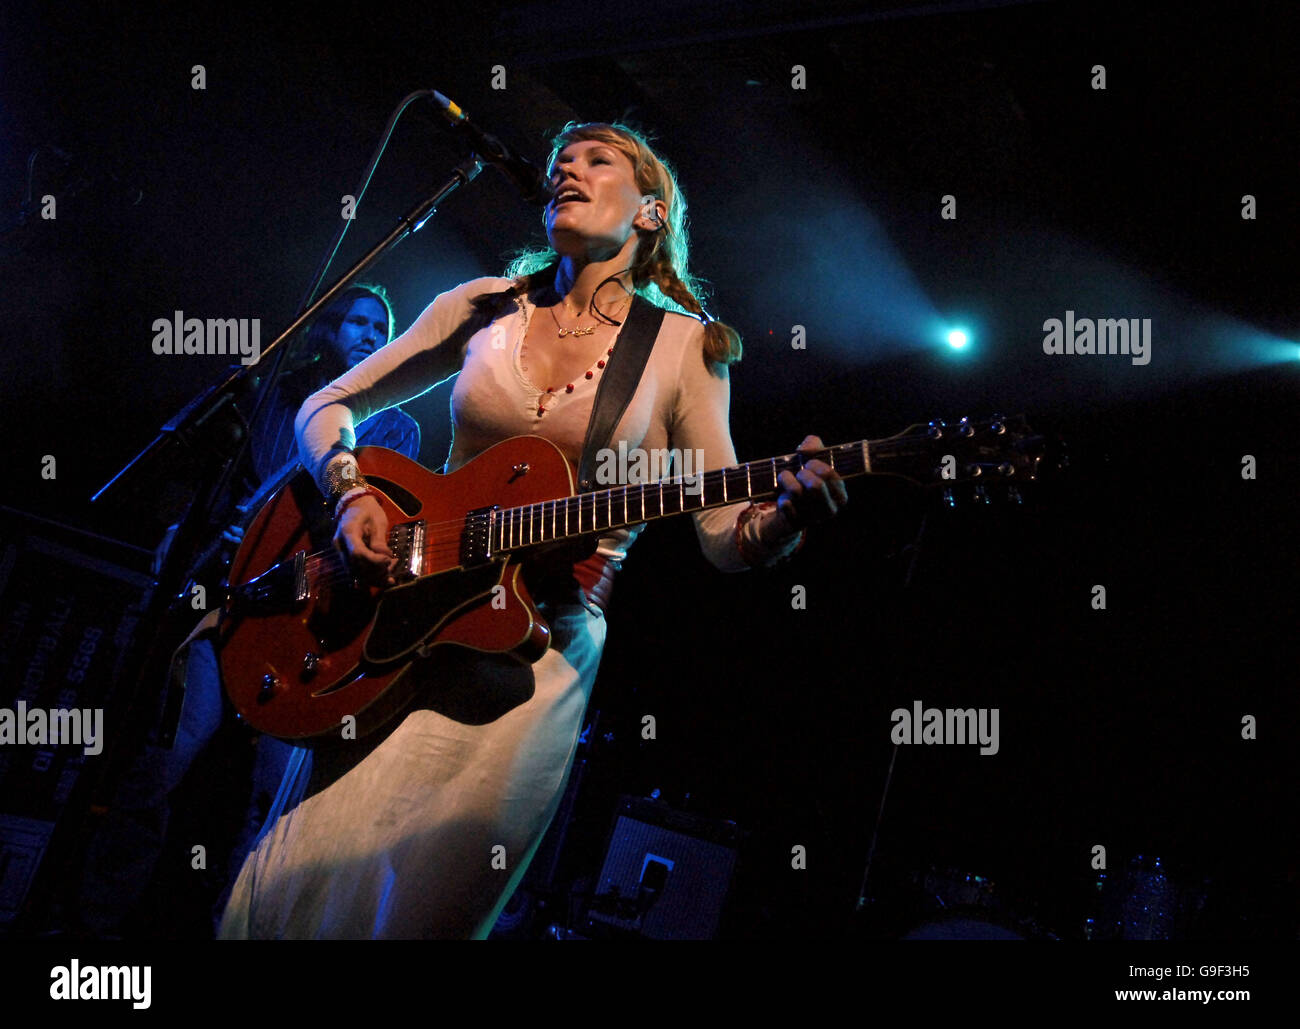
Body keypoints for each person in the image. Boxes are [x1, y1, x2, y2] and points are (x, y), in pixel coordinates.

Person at [217, 122, 847, 940]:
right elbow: (324, 404)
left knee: (419, 920)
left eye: (596, 161)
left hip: (535, 657)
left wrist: (789, 517)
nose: (566, 174)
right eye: (559, 166)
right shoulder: (484, 307)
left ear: (651, 213)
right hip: (400, 634)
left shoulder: (687, 349)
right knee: (301, 893)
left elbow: (725, 533)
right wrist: (346, 496)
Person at [77, 285, 419, 936]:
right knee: (165, 764)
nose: (373, 332)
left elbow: (376, 520)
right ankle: (98, 927)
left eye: (384, 324)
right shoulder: (279, 401)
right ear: (329, 331)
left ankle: (232, 927)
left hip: (306, 618)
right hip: (226, 602)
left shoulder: (396, 423)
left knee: (271, 800)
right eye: (358, 321)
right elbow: (234, 493)